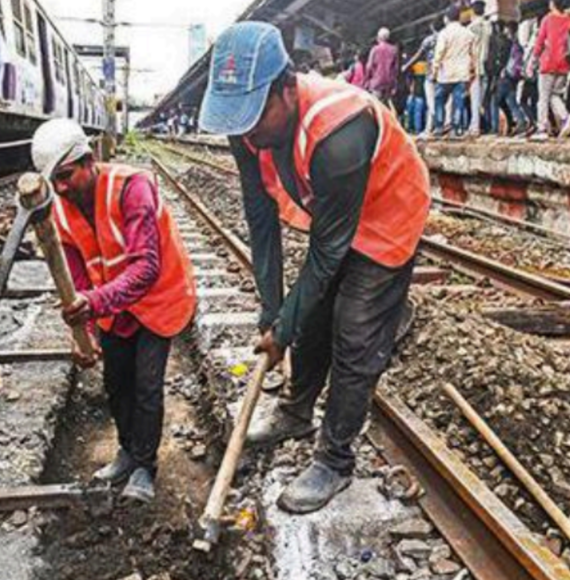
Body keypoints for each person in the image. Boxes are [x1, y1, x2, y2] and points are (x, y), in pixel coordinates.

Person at [198, 22, 431, 515]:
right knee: (312, 316)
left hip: (387, 212)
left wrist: (285, 323)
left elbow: (327, 253)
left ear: (287, 87)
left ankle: (334, 461)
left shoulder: (339, 127)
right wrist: (272, 313)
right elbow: (261, 222)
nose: (247, 132)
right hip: (334, 210)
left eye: (255, 116)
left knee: (354, 334)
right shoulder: (248, 130)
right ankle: (295, 412)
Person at [31, 120, 197, 504]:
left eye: (66, 176)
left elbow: (145, 267)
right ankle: (127, 451)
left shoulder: (132, 187)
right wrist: (84, 327)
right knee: (116, 381)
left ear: (88, 161)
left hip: (158, 298)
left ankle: (145, 465)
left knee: (147, 385)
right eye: (53, 180)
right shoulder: (62, 207)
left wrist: (93, 302)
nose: (60, 188)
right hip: (113, 305)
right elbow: (74, 276)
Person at [531, 0, 570, 139]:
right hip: (565, 64)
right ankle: (566, 117)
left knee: (543, 98)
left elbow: (539, 42)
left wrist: (532, 62)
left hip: (548, 63)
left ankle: (541, 129)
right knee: (554, 94)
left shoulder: (547, 19)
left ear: (552, 4)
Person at [433, 6, 477, 137]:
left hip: (445, 74)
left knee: (439, 99)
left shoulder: (444, 34)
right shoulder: (469, 34)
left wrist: (434, 71)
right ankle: (456, 129)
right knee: (459, 102)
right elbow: (473, 55)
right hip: (462, 73)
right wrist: (473, 72)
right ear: (459, 17)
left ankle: (439, 127)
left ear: (446, 19)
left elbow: (439, 54)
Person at [409, 18, 445, 135]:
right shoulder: (446, 38)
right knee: (443, 103)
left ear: (432, 27)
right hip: (445, 75)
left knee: (431, 104)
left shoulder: (428, 40)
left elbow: (418, 55)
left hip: (431, 76)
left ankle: (430, 128)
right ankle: (440, 127)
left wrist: (406, 65)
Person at [493, 22, 530, 135]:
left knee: (496, 100)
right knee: (510, 99)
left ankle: (515, 122)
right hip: (513, 76)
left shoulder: (506, 43)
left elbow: (501, 59)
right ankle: (519, 121)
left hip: (505, 75)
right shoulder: (517, 45)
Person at [467, 1, 493, 136]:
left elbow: (469, 50)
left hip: (475, 67)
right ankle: (488, 126)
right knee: (484, 100)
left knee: (475, 100)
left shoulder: (470, 28)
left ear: (472, 11)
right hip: (487, 66)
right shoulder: (489, 27)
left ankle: (475, 127)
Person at [366, 28, 400, 106]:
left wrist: (367, 82)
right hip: (388, 83)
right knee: (386, 106)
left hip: (376, 83)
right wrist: (394, 84)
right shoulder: (394, 50)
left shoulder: (375, 49)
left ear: (379, 37)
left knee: (375, 106)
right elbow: (395, 69)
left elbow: (369, 67)